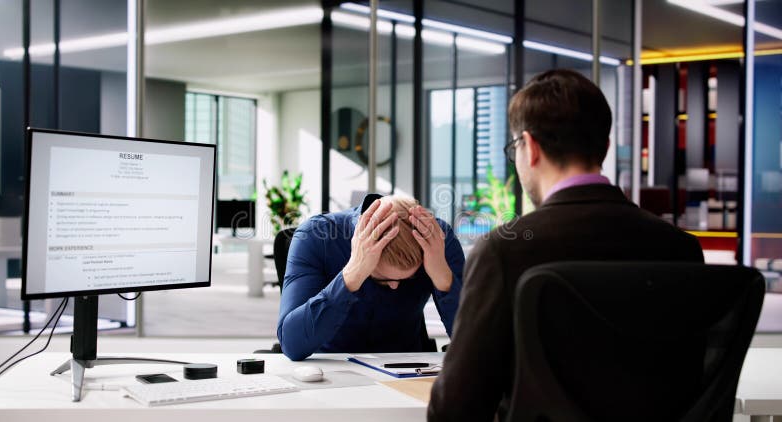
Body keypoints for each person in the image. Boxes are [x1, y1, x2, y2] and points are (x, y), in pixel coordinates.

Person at [428, 69, 704, 421]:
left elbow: (454, 410)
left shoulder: (503, 252)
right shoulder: (681, 249)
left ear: (530, 148)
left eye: (514, 149)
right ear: (605, 148)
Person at [277, 194, 464, 361]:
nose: (394, 287)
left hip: (407, 366)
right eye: (383, 279)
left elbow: (475, 342)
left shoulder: (437, 240)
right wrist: (352, 274)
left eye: (408, 278)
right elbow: (292, 344)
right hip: (331, 367)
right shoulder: (315, 236)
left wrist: (443, 278)